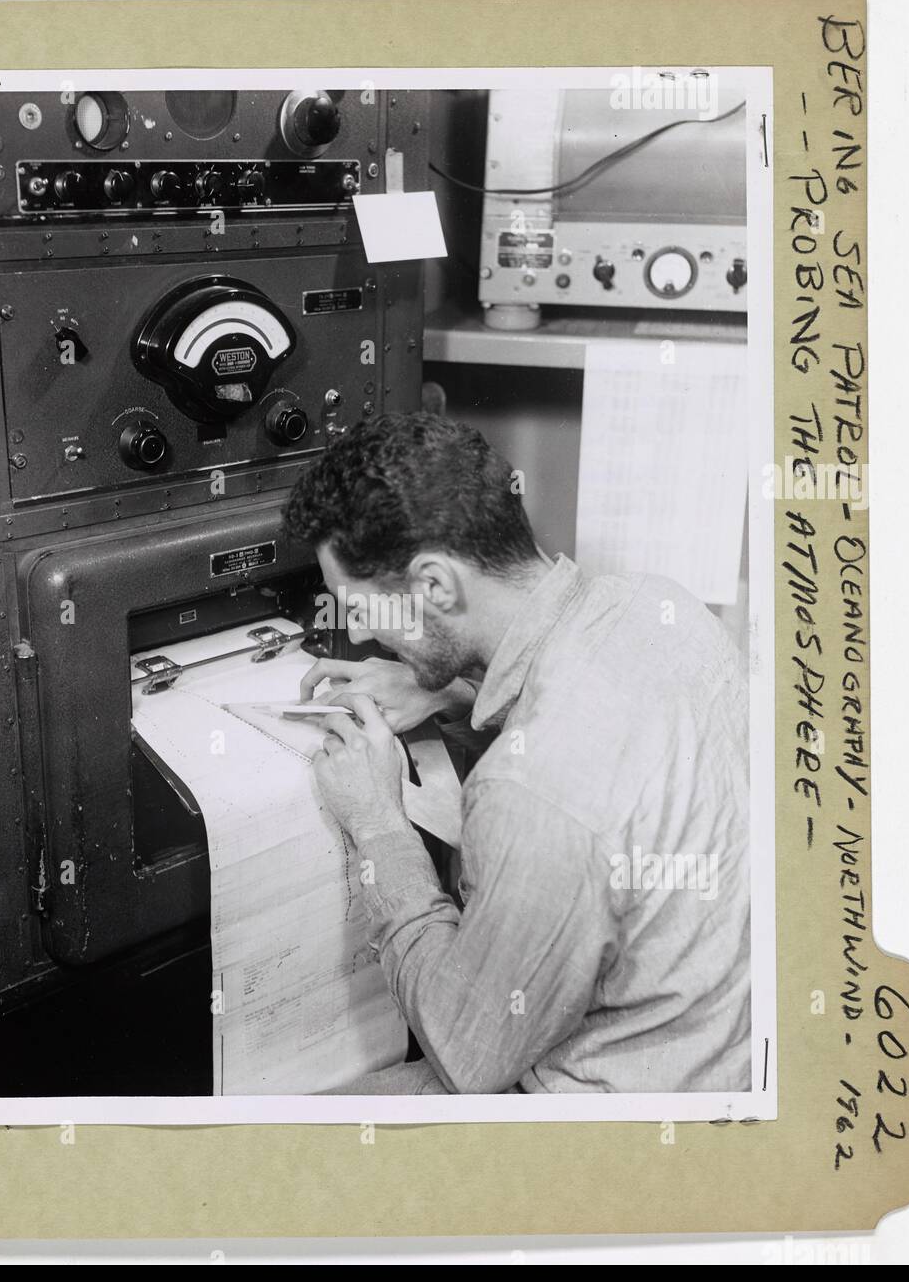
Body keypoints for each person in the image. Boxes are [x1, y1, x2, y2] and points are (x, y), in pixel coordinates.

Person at [284, 412, 751, 1095]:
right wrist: (456, 692)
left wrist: (377, 823)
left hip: (621, 1121)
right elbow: (602, 741)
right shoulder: (659, 604)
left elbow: (466, 1055)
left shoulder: (529, 792)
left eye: (359, 608)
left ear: (435, 586)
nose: (352, 631)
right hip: (717, 1046)